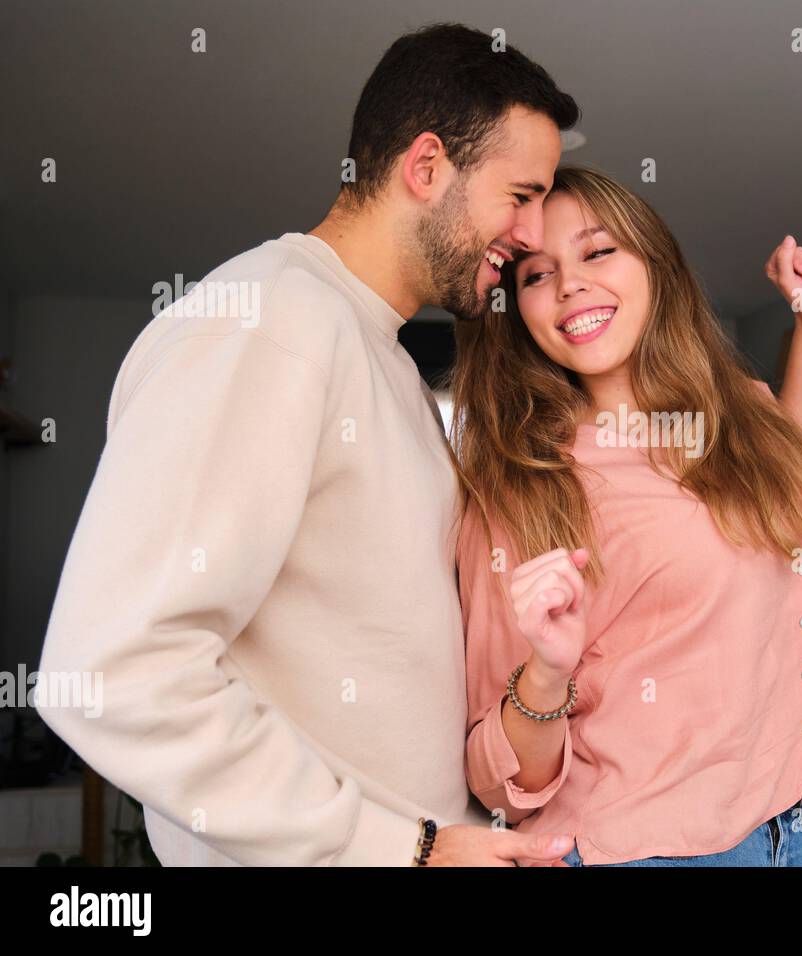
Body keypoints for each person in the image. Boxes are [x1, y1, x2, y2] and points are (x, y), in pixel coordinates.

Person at [35, 22, 580, 867]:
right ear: (426, 167)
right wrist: (410, 851)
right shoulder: (271, 319)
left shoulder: (383, 360)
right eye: (522, 194)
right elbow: (113, 672)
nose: (536, 234)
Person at [453, 165, 802, 866]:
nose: (570, 284)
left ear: (656, 262)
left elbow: (795, 485)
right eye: (536, 275)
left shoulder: (741, 414)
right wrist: (546, 676)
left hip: (780, 830)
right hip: (637, 850)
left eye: (597, 250)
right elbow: (497, 781)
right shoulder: (522, 489)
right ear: (518, 311)